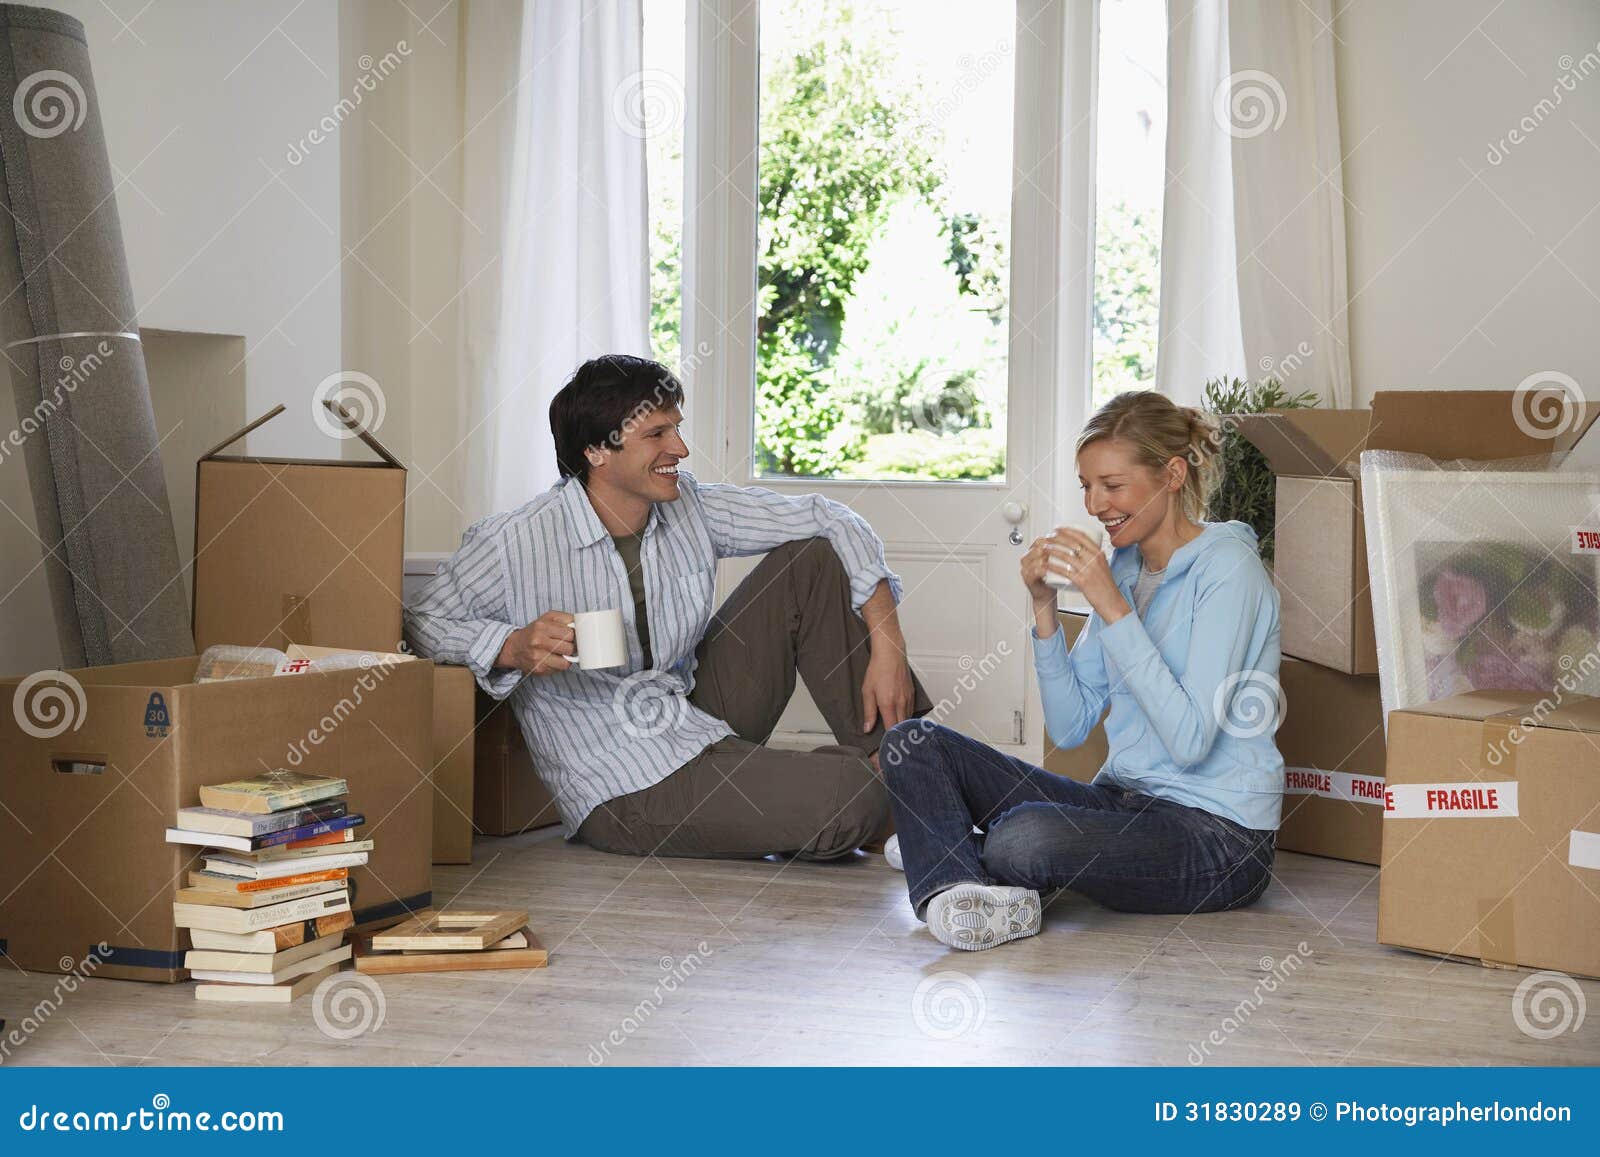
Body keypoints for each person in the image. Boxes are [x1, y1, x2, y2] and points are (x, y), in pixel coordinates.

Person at [405, 354, 932, 860]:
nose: (678, 447)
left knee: (814, 560)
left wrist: (889, 649)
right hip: (623, 780)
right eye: (657, 434)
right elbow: (423, 620)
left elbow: (834, 519)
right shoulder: (513, 541)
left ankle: (914, 764)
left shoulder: (690, 506)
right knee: (850, 799)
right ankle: (888, 787)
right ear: (596, 451)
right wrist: (510, 645)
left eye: (675, 428)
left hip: (692, 712)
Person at [880, 390, 1283, 951]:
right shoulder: (1125, 564)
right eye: (1087, 487)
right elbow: (1071, 728)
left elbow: (1191, 741)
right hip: (1122, 802)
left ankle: (948, 845)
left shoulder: (1229, 571)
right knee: (911, 743)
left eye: (1112, 486)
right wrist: (1044, 606)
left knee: (1023, 838)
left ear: (1171, 474)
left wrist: (1110, 605)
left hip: (1217, 837)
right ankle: (956, 888)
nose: (1095, 505)